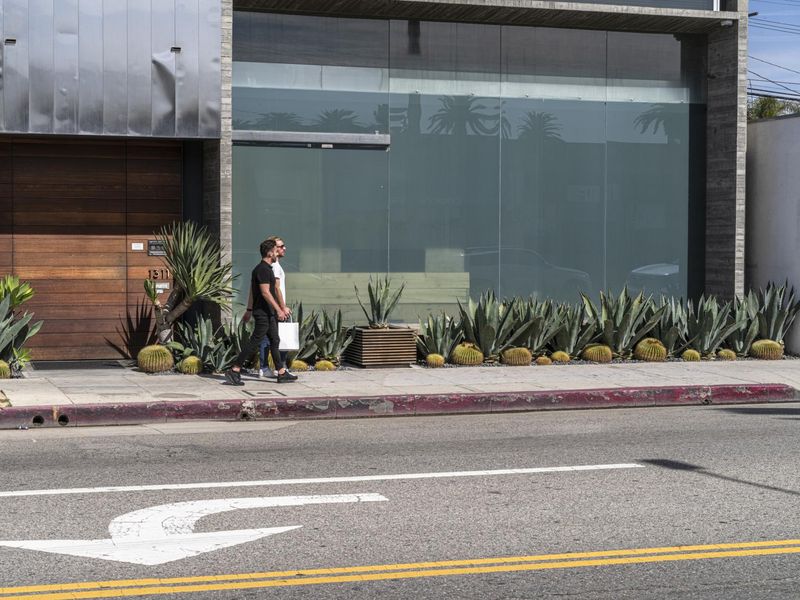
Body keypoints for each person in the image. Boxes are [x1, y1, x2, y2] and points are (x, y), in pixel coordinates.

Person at [225, 239, 297, 386]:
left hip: (266, 312)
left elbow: (253, 291)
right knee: (255, 341)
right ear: (270, 252)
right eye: (276, 250)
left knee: (275, 340)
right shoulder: (263, 270)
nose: (278, 253)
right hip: (264, 313)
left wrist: (249, 310)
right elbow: (265, 293)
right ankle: (235, 369)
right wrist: (279, 309)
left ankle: (281, 373)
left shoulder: (266, 269)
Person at [258, 235, 291, 377]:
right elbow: (276, 288)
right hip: (276, 308)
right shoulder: (275, 266)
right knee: (275, 338)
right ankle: (276, 368)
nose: (284, 248)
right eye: (281, 246)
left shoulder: (274, 265)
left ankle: (270, 368)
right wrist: (282, 308)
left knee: (270, 338)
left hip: (275, 307)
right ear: (273, 249)